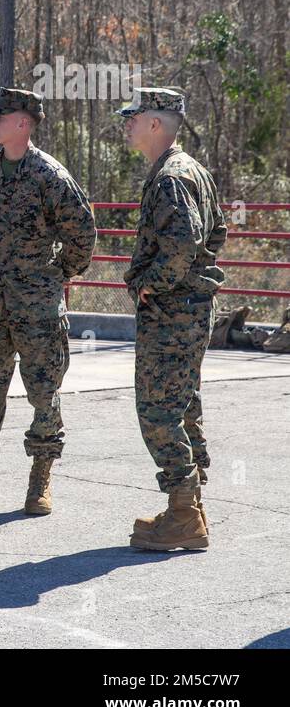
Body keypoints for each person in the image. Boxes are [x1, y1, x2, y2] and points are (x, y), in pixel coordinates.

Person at [0, 88, 97, 516]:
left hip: (36, 303)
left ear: (23, 122)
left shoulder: (49, 176)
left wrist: (54, 274)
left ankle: (40, 476)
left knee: (42, 388)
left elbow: (83, 235)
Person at [119, 87, 226, 551]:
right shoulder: (189, 170)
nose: (127, 124)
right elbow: (217, 230)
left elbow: (184, 245)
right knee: (183, 406)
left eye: (134, 117)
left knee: (158, 411)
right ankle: (190, 508)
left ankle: (183, 512)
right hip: (187, 309)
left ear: (156, 123)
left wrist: (151, 283)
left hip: (172, 311)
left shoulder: (172, 177)